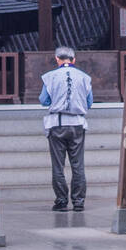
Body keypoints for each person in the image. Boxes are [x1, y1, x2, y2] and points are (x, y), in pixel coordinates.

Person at [39, 45, 94, 211]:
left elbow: (43, 100)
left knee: (58, 165)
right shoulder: (84, 77)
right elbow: (89, 102)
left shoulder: (50, 77)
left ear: (57, 59)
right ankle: (78, 202)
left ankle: (61, 201)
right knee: (78, 165)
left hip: (57, 124)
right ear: (73, 60)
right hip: (77, 124)